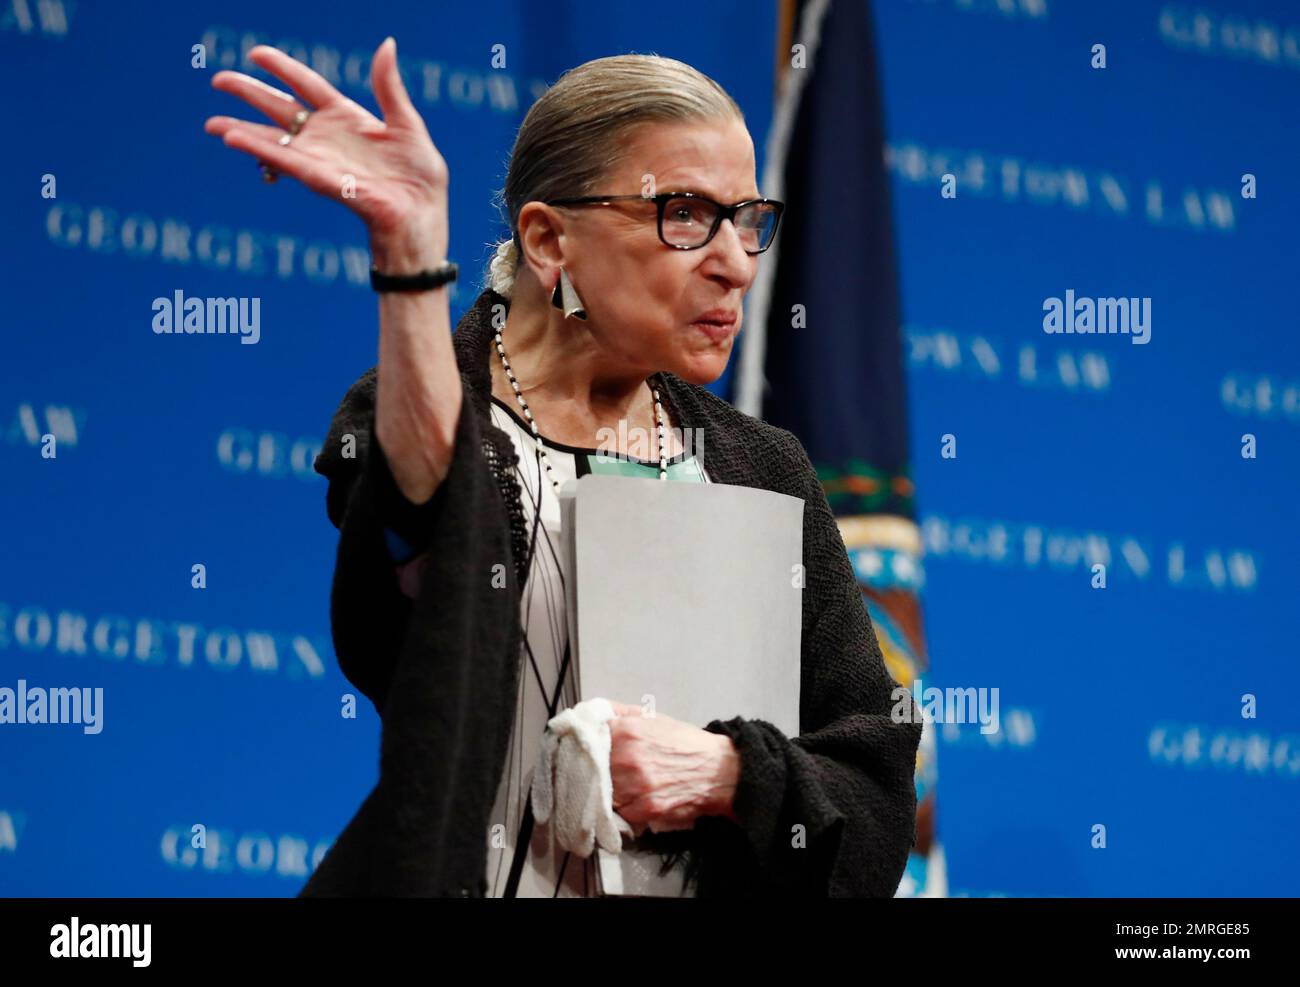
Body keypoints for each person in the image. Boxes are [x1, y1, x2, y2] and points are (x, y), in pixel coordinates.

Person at [206, 36, 921, 897]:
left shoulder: (762, 471)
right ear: (548, 240)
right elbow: (431, 504)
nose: (735, 262)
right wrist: (409, 259)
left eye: (747, 218)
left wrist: (733, 774)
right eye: (686, 213)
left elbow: (876, 785)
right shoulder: (416, 422)